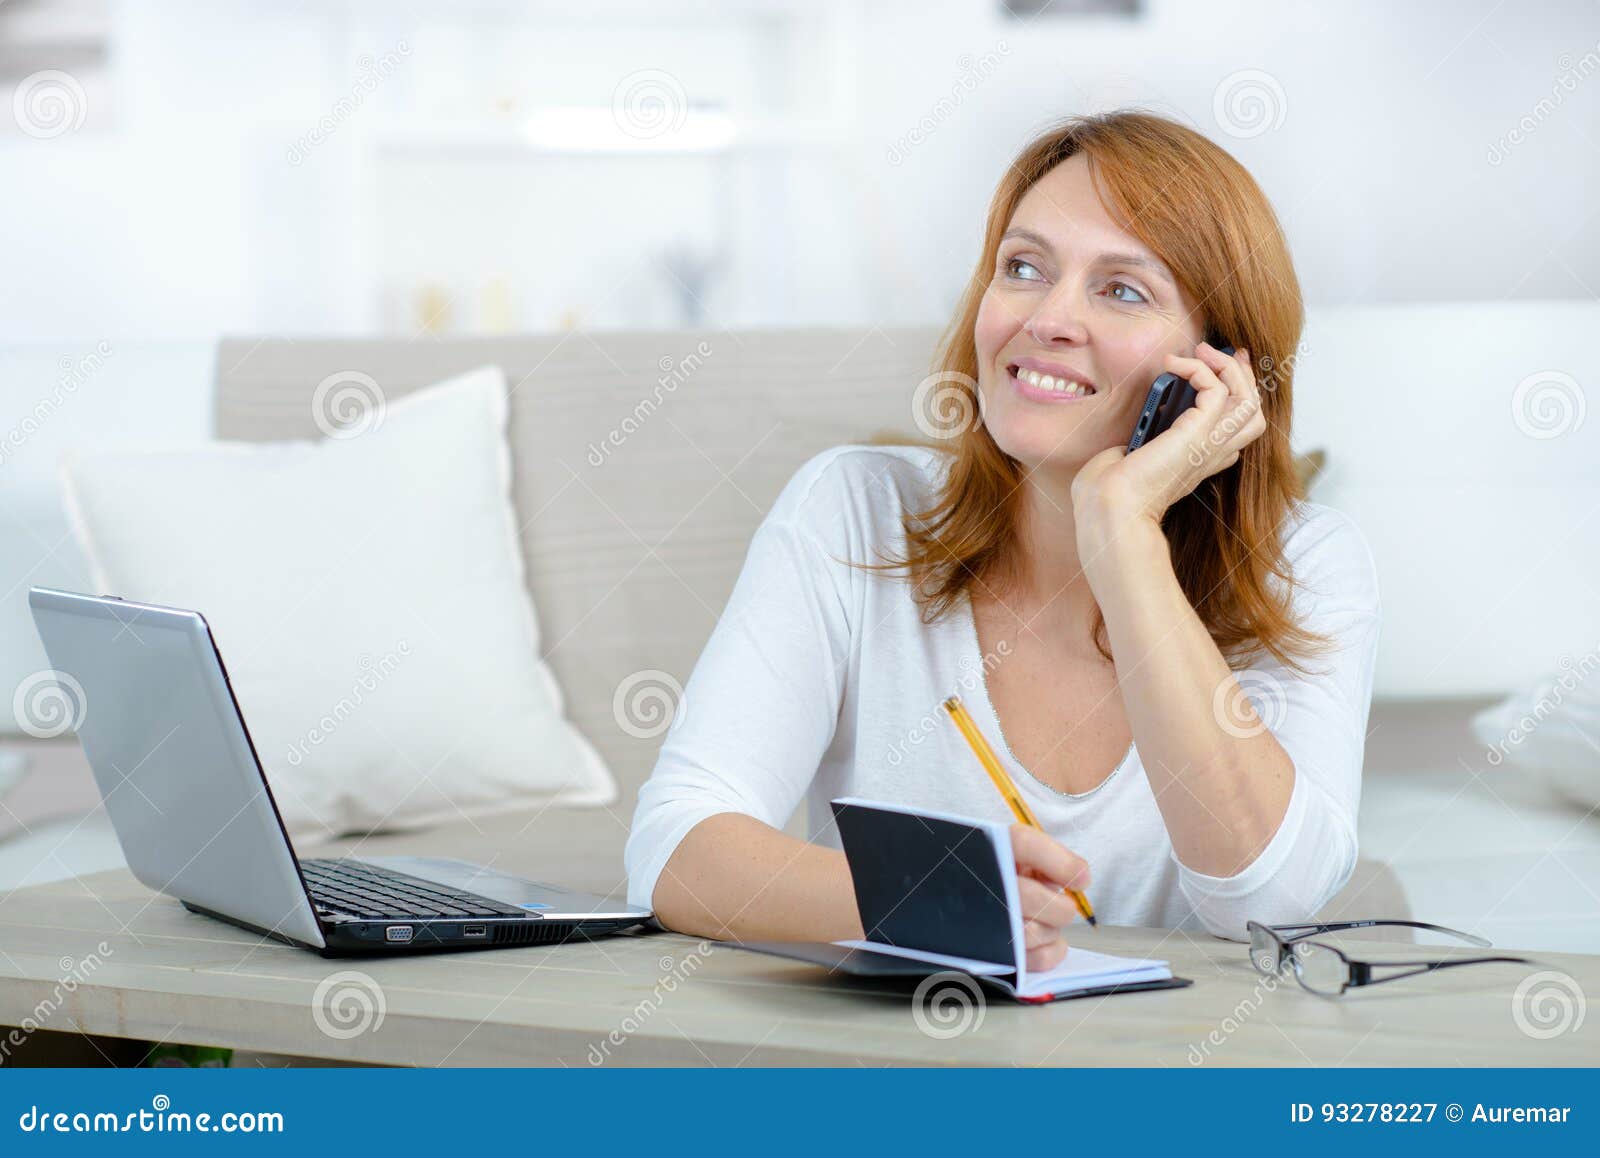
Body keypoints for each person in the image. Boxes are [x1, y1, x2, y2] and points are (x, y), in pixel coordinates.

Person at [624, 110, 1380, 970]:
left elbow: (1267, 897)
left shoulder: (1307, 566)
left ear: (1217, 371)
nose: (1048, 317)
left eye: (1121, 288)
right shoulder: (855, 508)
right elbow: (674, 851)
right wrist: (920, 897)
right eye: (1023, 268)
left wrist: (1123, 534)